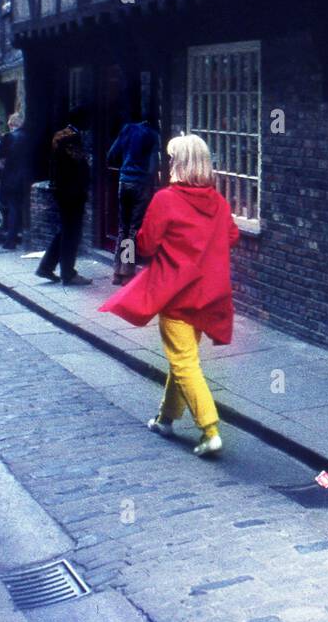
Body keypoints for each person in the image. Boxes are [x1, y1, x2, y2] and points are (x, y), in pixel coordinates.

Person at [98, 134, 238, 457]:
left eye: (173, 158)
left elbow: (145, 245)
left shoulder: (165, 199)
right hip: (207, 296)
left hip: (175, 297)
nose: (169, 163)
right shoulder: (217, 202)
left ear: (180, 163)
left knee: (185, 362)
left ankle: (210, 429)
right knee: (183, 360)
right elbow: (231, 236)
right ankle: (165, 419)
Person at [36, 112, 91, 286]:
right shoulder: (72, 137)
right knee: (72, 232)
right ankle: (68, 273)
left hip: (61, 190)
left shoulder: (60, 134)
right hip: (72, 191)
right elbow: (79, 162)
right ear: (80, 120)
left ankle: (46, 267)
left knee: (66, 230)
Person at [107, 114, 161, 286]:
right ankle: (126, 270)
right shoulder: (153, 135)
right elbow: (153, 167)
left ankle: (117, 271)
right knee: (133, 229)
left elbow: (111, 155)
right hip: (140, 183)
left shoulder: (127, 129)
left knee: (123, 226)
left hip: (124, 181)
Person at [0, 113, 29, 249]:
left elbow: (1, 156)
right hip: (26, 178)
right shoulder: (28, 137)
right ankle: (18, 236)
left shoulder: (9, 137)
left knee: (12, 208)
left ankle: (10, 241)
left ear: (11, 124)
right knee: (19, 207)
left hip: (11, 177)